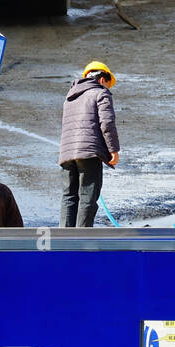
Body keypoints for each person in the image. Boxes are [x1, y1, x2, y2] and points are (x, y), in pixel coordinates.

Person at [59, 60, 120, 227]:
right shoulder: (101, 93)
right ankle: (81, 240)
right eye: (107, 84)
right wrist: (113, 150)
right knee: (87, 196)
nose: (107, 88)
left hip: (66, 154)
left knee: (69, 196)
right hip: (89, 153)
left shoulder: (70, 97)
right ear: (102, 80)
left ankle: (63, 240)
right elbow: (107, 123)